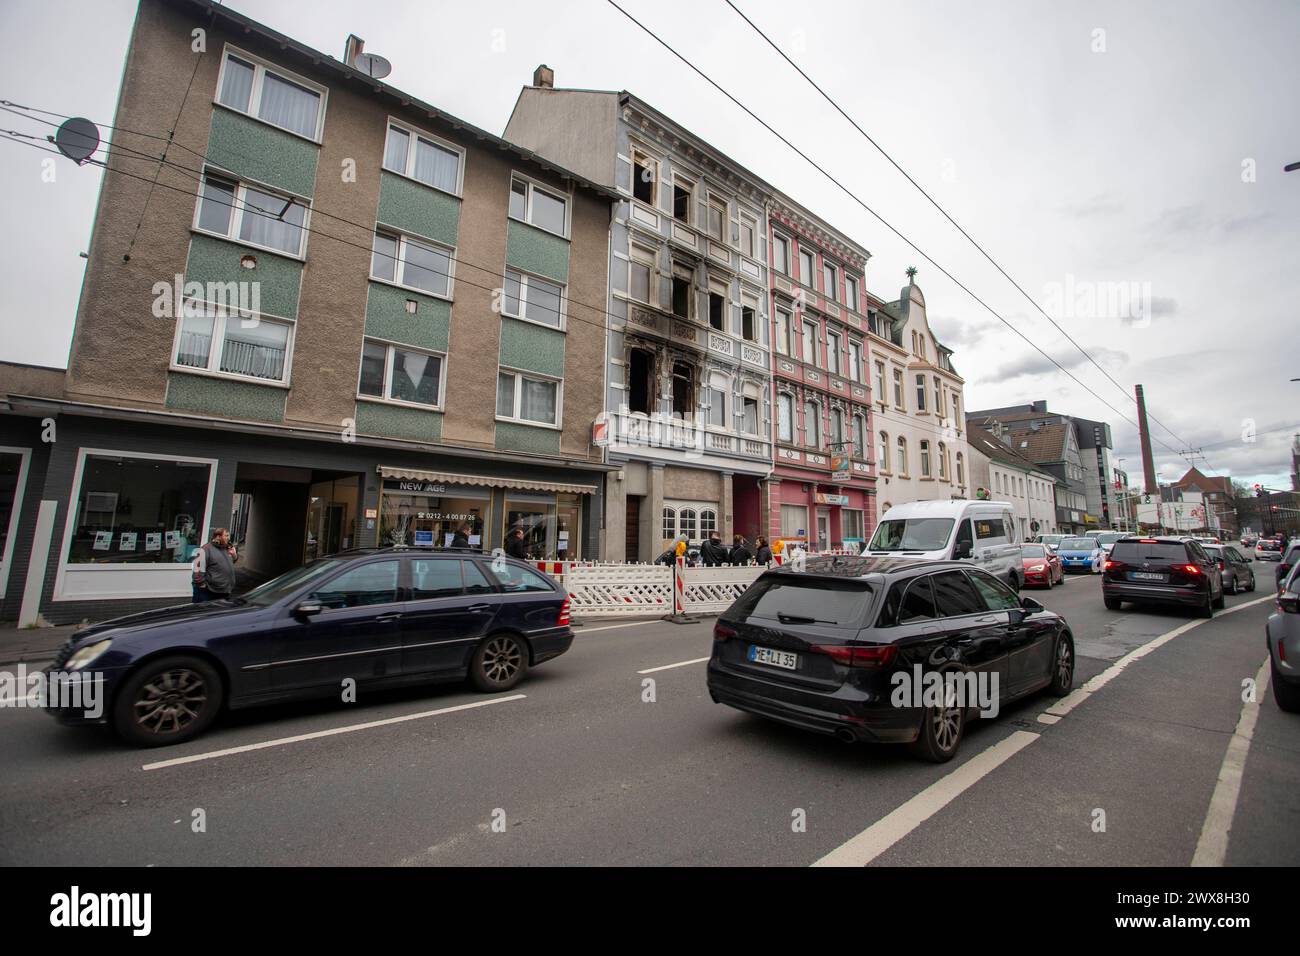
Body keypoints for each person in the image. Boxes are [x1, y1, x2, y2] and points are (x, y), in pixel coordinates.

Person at [193, 527, 237, 602]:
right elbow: (198, 567)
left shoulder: (226, 548)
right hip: (210, 591)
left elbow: (231, 562)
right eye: (226, 535)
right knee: (204, 612)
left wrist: (234, 555)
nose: (228, 538)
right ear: (218, 537)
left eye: (228, 535)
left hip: (225, 591)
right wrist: (201, 584)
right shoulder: (206, 549)